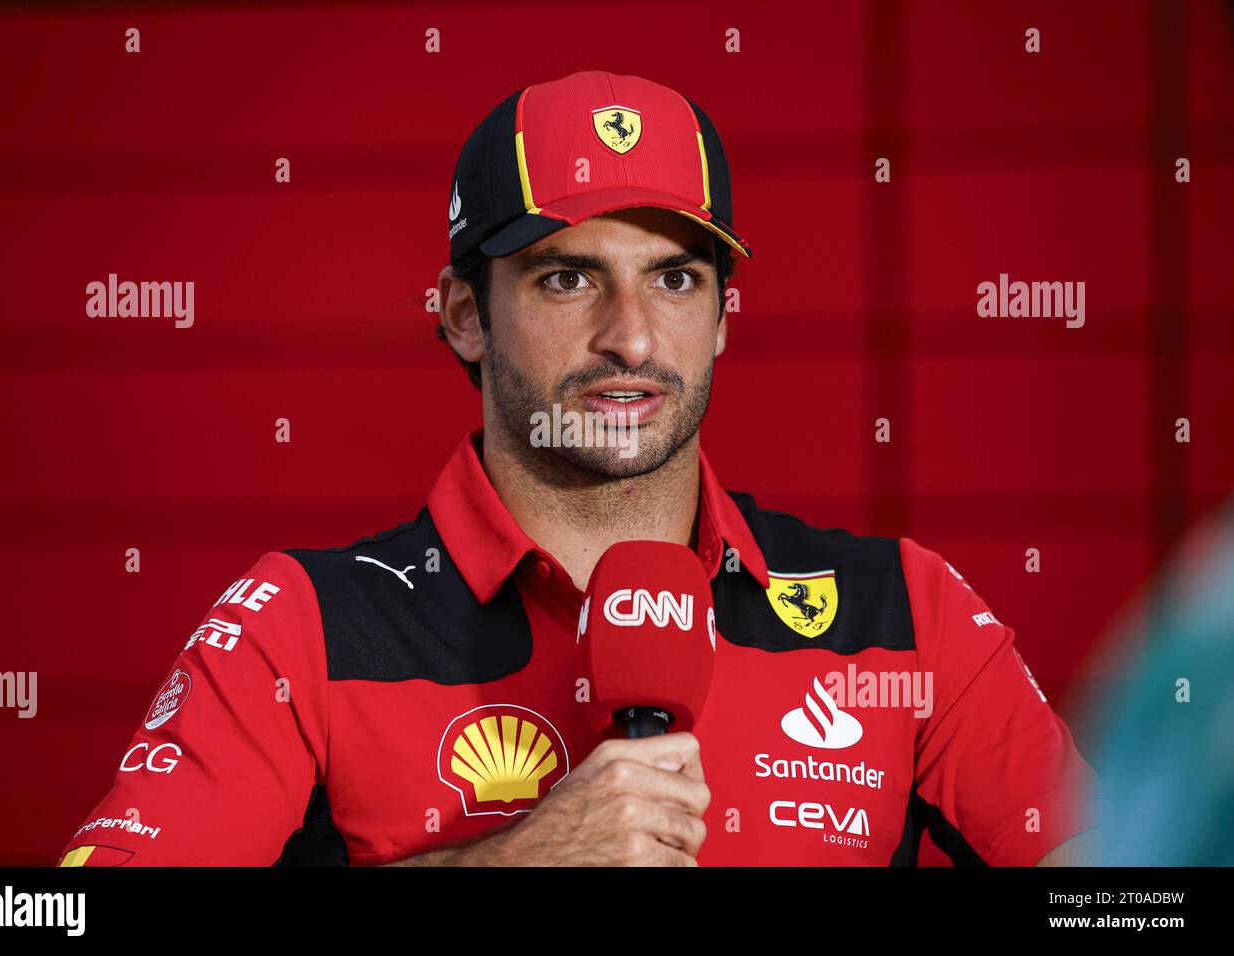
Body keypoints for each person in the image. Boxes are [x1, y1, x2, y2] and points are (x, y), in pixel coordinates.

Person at [58, 69, 1097, 867]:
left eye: (676, 279)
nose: (632, 340)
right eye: (567, 278)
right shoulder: (295, 626)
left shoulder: (903, 609)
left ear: (724, 317)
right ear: (465, 315)